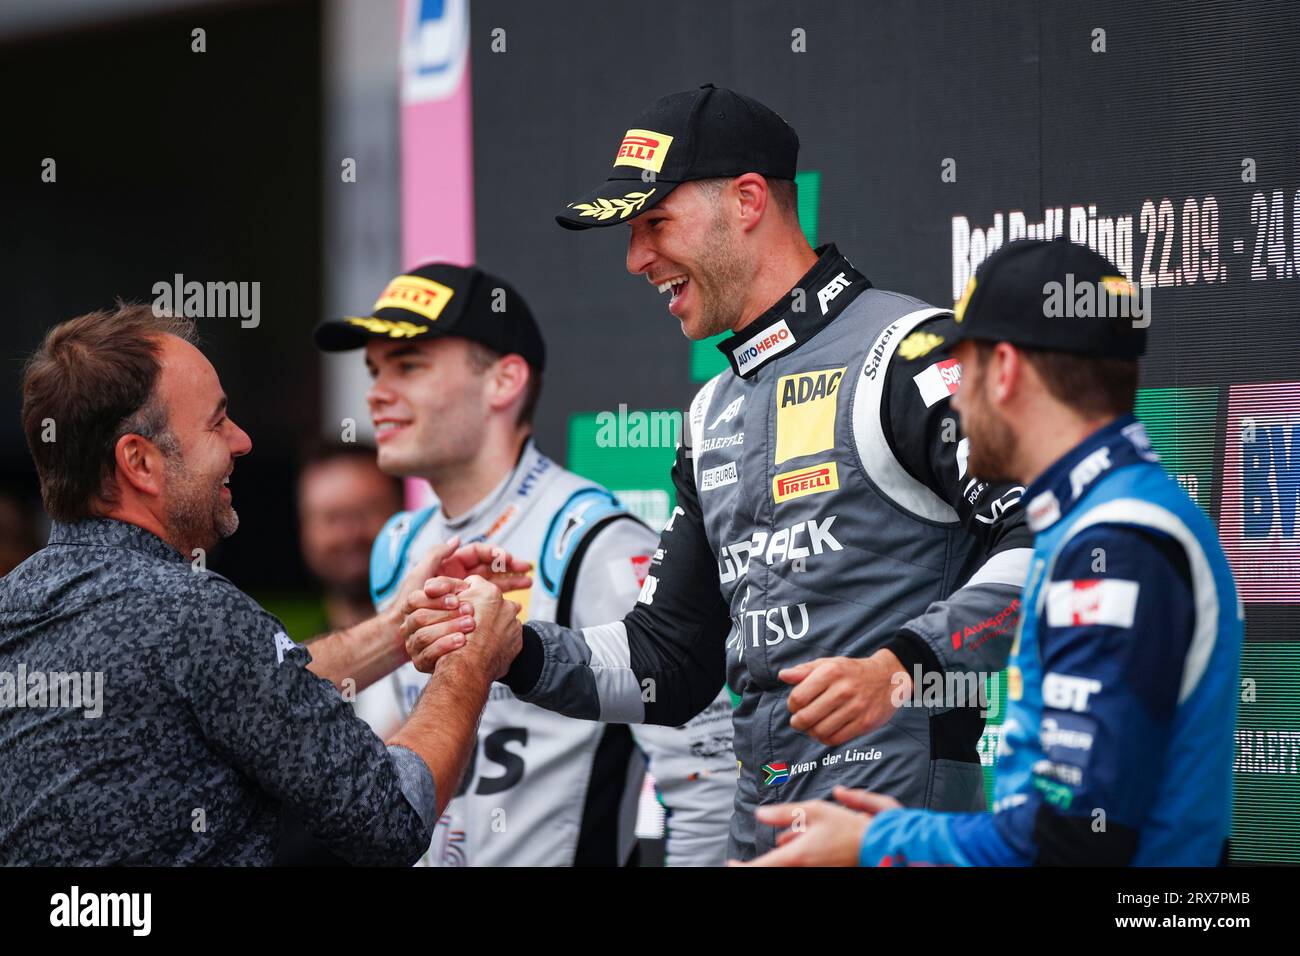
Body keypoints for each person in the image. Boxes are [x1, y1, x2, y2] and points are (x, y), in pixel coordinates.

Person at [405, 85, 1034, 859]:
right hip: (761, 832)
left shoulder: (908, 354)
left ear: (746, 201)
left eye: (654, 223)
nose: (637, 259)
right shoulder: (711, 413)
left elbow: (1047, 536)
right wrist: (515, 649)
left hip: (894, 830)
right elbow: (665, 665)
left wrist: (904, 666)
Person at [741, 239, 1243, 866]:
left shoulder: (1117, 542)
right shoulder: (1103, 518)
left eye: (964, 369)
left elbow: (1076, 841)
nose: (955, 400)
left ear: (1003, 372)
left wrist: (877, 842)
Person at [0, 305, 528, 865]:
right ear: (140, 462)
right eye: (216, 422)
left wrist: (403, 626)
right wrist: (469, 660)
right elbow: (392, 814)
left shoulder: (14, 606)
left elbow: (245, 688)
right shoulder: (193, 612)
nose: (243, 440)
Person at [314, 263, 737, 866]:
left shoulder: (593, 541)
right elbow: (386, 750)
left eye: (409, 366)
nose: (377, 393)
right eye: (374, 370)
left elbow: (706, 775)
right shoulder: (401, 544)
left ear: (504, 381)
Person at [295, 441, 405, 736]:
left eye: (367, 512)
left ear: (405, 516)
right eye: (331, 518)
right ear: (305, 530)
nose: (350, 534)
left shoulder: (441, 646)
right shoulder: (281, 650)